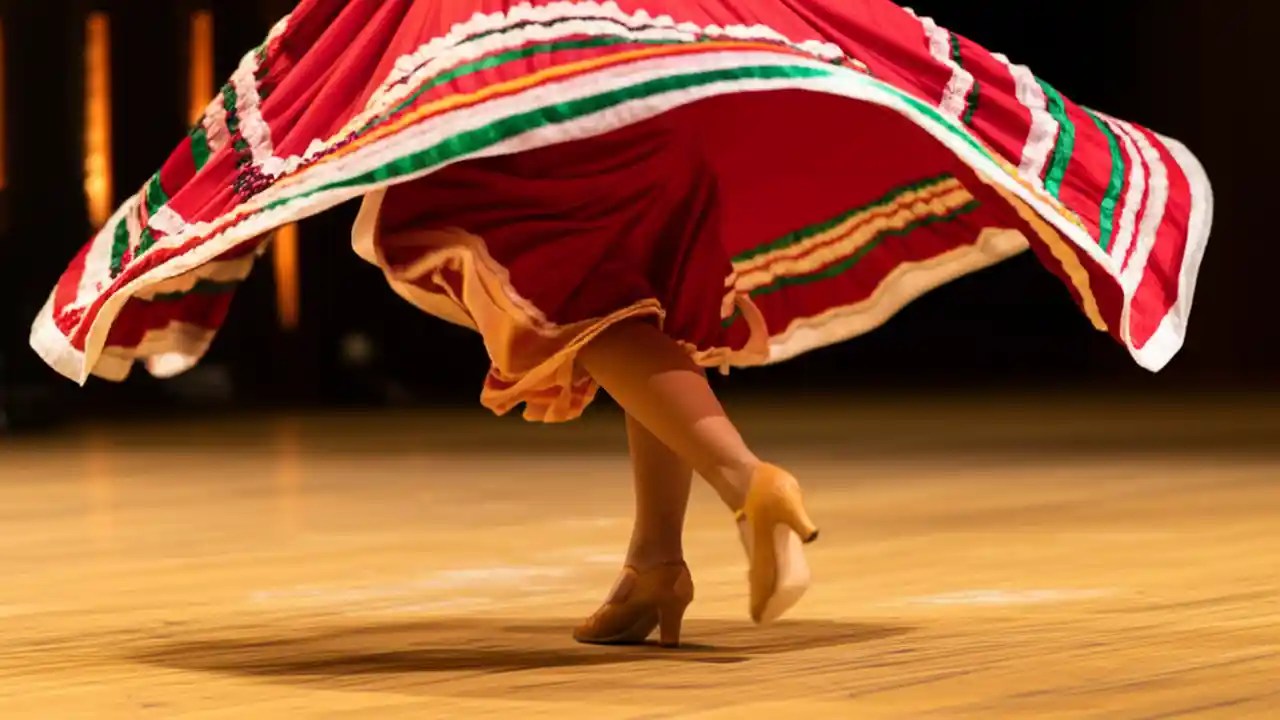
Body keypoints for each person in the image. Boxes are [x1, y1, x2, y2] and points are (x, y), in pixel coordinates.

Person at [29, 0, 1212, 647]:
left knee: (557, 289)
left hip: (528, 59)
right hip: (655, 60)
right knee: (642, 293)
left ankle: (747, 482)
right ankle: (655, 567)